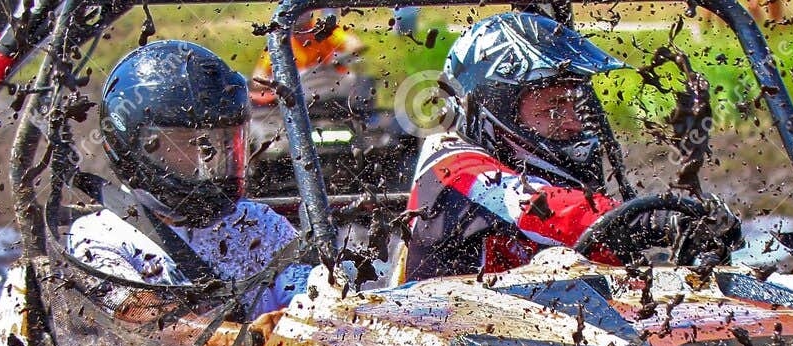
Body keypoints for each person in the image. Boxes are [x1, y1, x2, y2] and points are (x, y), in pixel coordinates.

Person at [68, 41, 310, 346]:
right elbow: (137, 317)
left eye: (220, 143)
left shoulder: (257, 223)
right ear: (139, 149)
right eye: (186, 147)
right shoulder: (100, 237)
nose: (206, 163)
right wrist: (240, 338)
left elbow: (311, 293)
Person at [403, 11, 628, 280]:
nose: (574, 123)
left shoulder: (519, 169)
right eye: (553, 109)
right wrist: (642, 220)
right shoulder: (452, 168)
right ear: (497, 108)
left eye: (575, 106)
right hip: (451, 319)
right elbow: (534, 205)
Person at [248, 7, 367, 108]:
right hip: (300, 94)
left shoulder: (323, 28)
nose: (299, 14)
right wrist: (281, 81)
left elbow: (355, 45)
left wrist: (336, 61)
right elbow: (258, 77)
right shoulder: (279, 41)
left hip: (333, 86)